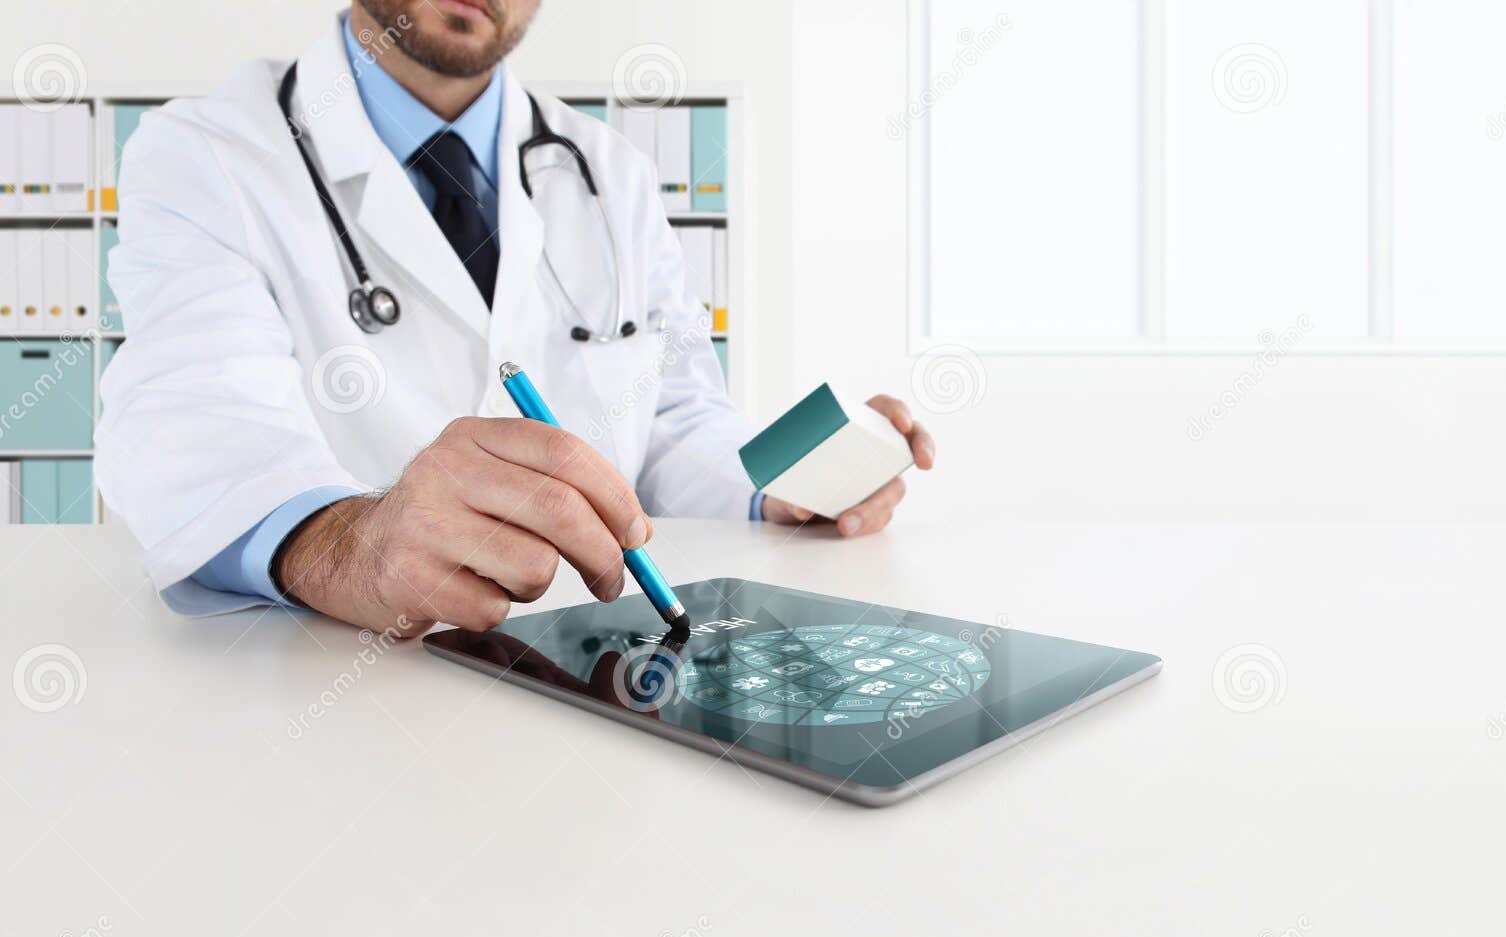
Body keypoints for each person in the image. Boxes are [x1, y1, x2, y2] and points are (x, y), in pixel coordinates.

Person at [98, 0, 934, 635]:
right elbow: (193, 420)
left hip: (588, 660)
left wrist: (779, 486)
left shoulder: (612, 173)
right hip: (342, 687)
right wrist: (356, 545)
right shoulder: (207, 153)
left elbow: (674, 420)